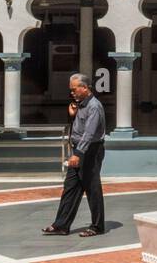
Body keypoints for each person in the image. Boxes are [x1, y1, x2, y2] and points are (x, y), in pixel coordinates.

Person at [41, 73, 107, 237]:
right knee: (70, 188)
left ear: (85, 88)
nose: (72, 93)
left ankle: (97, 226)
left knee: (92, 188)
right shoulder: (81, 105)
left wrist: (78, 154)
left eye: (74, 89)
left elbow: (89, 134)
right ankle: (61, 225)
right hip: (79, 150)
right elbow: (79, 127)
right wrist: (73, 115)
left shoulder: (94, 106)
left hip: (89, 151)